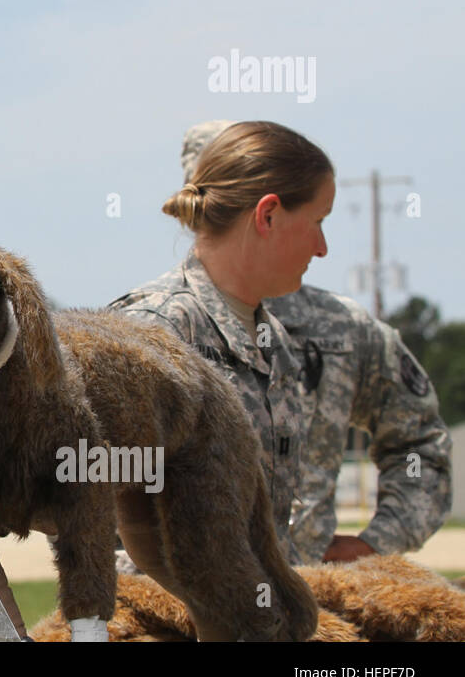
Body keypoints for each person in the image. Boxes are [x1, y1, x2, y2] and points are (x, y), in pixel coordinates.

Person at [181, 121, 452, 566]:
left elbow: (419, 440)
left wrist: (375, 544)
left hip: (312, 610)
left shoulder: (343, 331)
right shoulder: (161, 331)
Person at [108, 121, 335, 562]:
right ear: (268, 215)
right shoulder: (154, 332)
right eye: (318, 221)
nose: (323, 247)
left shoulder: (275, 342)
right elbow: (95, 521)